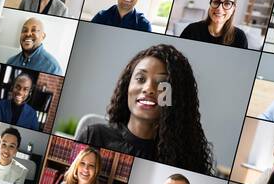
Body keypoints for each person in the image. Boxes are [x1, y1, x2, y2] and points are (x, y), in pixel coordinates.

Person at [76, 43, 216, 175]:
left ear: (176, 97)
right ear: (127, 86)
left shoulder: (185, 160)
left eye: (162, 83)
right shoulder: (94, 136)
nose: (148, 89)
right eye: (140, 79)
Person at [178, 0, 249, 49]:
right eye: (216, 2)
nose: (219, 8)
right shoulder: (191, 30)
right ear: (210, 4)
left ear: (233, 9)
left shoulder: (240, 37)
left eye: (227, 4)